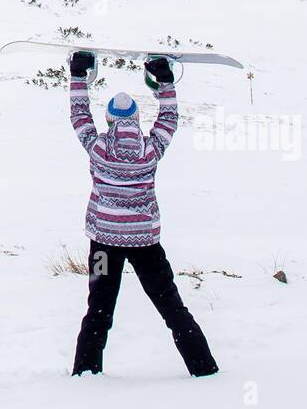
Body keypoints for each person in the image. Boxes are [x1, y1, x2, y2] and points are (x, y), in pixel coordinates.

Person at [68, 50, 219, 378]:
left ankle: (85, 373)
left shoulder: (95, 147)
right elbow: (169, 120)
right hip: (144, 243)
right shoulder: (151, 150)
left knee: (98, 309)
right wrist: (164, 80)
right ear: (136, 119)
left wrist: (78, 75)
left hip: (104, 245)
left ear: (108, 120)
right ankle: (204, 369)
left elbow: (79, 116)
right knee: (170, 305)